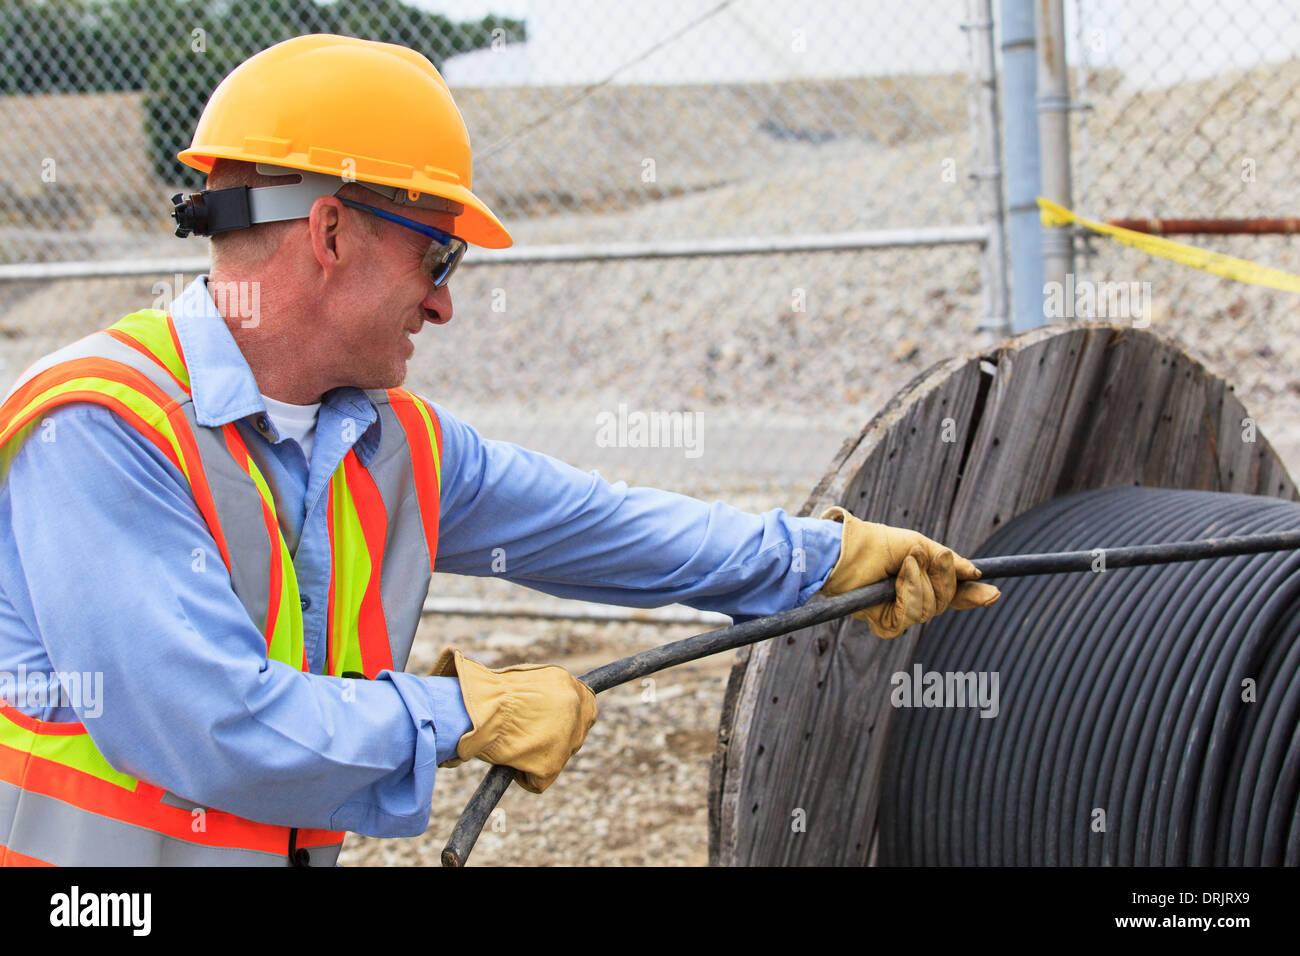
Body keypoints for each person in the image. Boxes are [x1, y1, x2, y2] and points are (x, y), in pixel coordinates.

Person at [0, 34, 999, 866]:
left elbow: (603, 525)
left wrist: (824, 559)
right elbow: (207, 720)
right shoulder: (100, 426)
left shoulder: (392, 444)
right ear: (331, 232)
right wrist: (456, 713)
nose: (443, 299)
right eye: (437, 255)